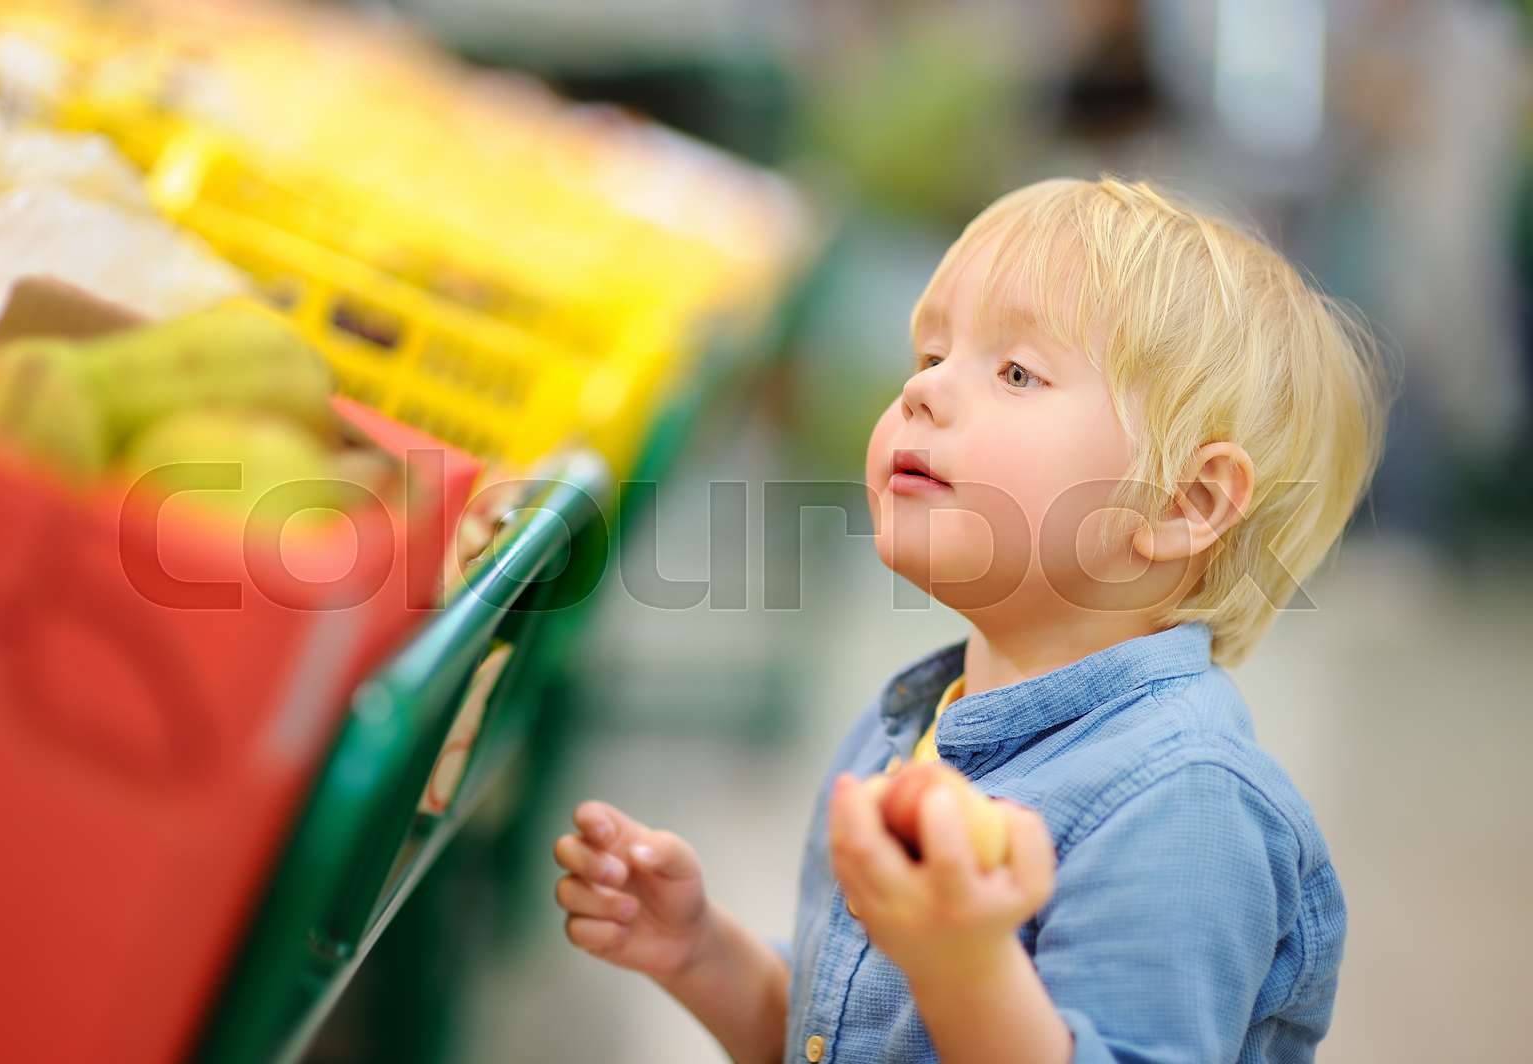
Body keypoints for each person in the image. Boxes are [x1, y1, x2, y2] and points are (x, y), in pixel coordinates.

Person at [551, 177, 1391, 1063]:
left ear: (1187, 502)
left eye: (1017, 372)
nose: (923, 394)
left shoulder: (1185, 803)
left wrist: (962, 967)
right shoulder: (913, 729)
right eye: (928, 358)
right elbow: (834, 1038)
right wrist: (699, 953)